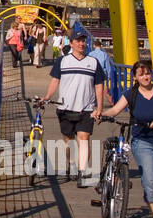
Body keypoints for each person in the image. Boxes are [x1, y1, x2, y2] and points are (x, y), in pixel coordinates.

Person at [97, 60, 153, 218]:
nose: (146, 77)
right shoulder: (131, 94)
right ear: (135, 77)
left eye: (148, 73)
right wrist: (101, 113)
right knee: (149, 180)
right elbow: (115, 110)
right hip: (142, 140)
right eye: (141, 74)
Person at [40, 31, 106, 186]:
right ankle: (71, 165)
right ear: (71, 43)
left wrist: (99, 107)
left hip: (86, 109)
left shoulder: (93, 62)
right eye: (78, 41)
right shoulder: (62, 61)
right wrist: (47, 97)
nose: (81, 44)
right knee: (68, 141)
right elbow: (55, 81)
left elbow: (99, 85)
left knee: (83, 138)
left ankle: (82, 173)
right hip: (65, 107)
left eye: (83, 41)